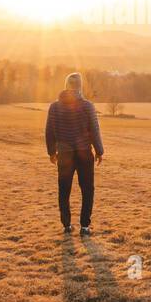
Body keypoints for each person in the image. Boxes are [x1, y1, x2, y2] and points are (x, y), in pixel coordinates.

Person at [44, 72, 104, 235]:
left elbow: (49, 131)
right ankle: (85, 226)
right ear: (80, 86)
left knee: (64, 190)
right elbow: (94, 130)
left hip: (64, 154)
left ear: (66, 85)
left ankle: (66, 225)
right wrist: (99, 151)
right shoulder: (87, 106)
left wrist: (51, 152)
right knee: (87, 189)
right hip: (84, 152)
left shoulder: (55, 107)